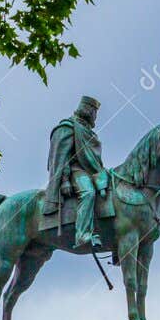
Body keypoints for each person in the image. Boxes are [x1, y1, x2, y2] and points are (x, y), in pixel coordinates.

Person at [45, 96, 107, 251]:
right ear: (87, 110)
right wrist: (65, 180)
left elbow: (94, 161)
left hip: (92, 172)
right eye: (94, 112)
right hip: (74, 171)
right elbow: (60, 158)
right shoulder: (68, 127)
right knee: (88, 193)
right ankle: (82, 235)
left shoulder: (88, 132)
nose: (95, 116)